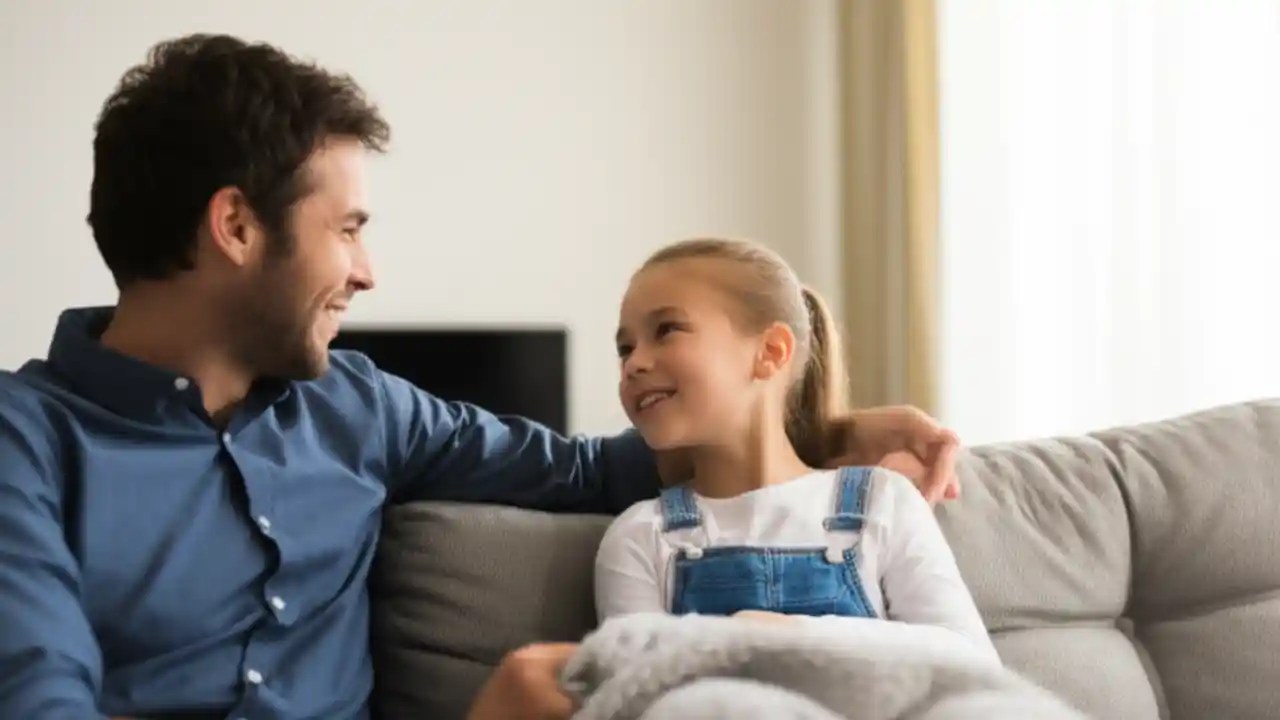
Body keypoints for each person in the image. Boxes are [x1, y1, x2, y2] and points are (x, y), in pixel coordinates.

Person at [0, 34, 961, 720]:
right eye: (348, 229)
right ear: (238, 227)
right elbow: (38, 685)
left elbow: (589, 472)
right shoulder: (25, 444)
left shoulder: (358, 408)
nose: (367, 273)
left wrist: (821, 431)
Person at [593, 238, 997, 662]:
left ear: (770, 352)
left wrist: (785, 634)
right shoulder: (640, 536)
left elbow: (972, 662)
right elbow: (635, 694)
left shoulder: (883, 500)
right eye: (625, 348)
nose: (634, 362)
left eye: (666, 330)